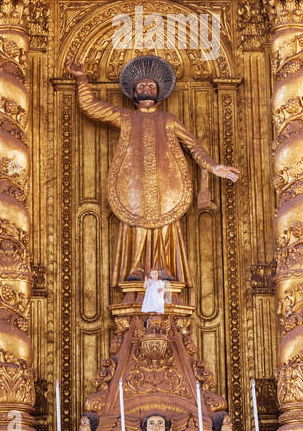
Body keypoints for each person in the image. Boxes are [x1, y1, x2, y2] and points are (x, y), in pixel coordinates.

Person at [68, 54, 239, 288]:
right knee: (135, 219)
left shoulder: (168, 120)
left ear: (158, 91)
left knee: (165, 222)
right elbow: (91, 107)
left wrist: (212, 166)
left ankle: (164, 268)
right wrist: (81, 80)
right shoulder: (126, 117)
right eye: (141, 86)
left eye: (151, 86)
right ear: (134, 93)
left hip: (166, 186)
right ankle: (136, 268)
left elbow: (193, 145)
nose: (146, 89)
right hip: (134, 185)